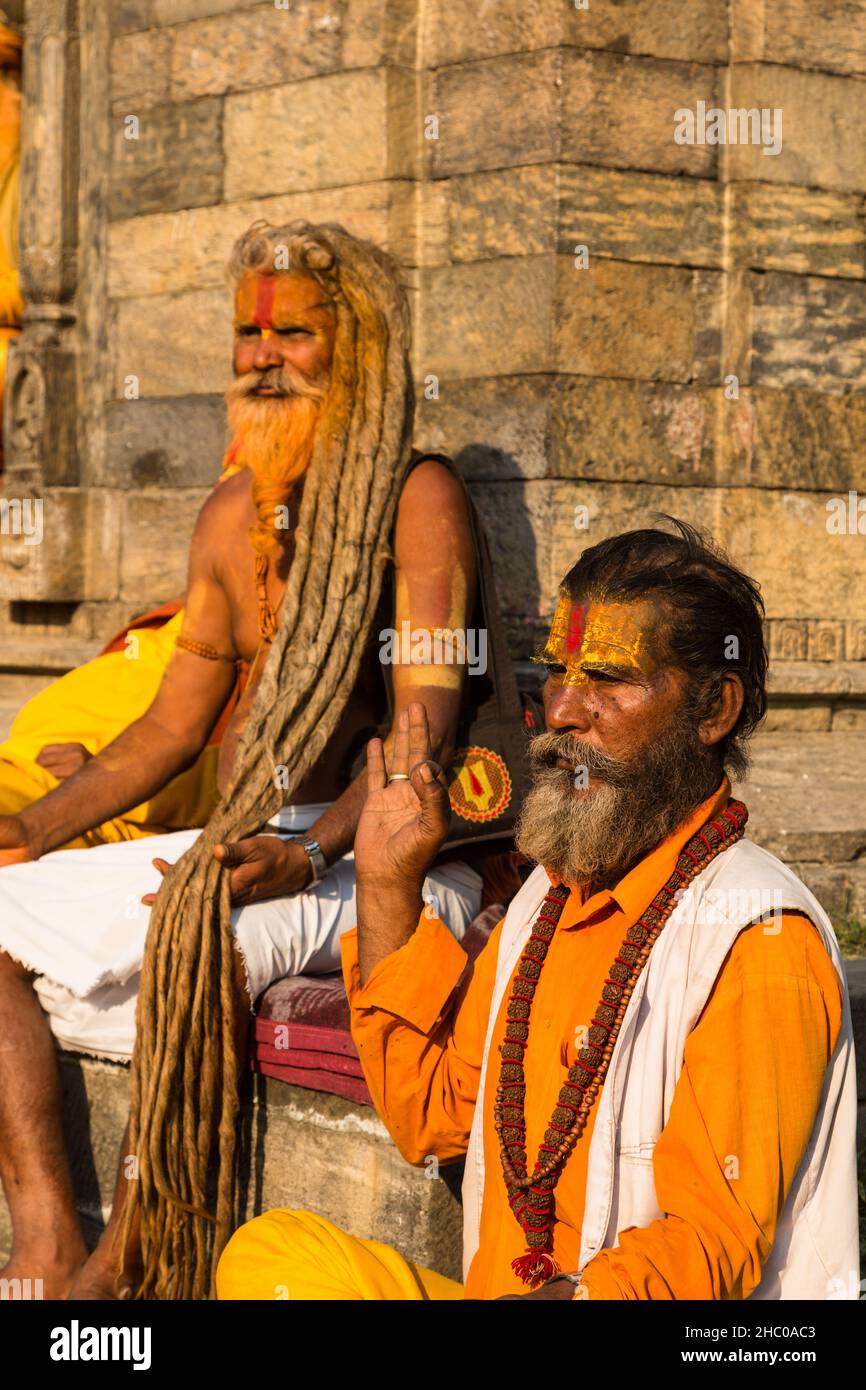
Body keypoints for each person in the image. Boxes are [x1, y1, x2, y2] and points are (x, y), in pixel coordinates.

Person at [0, 220, 523, 1299]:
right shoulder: (232, 515)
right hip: (255, 837)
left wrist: (310, 852)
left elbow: (419, 736)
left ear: (360, 348)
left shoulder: (415, 501)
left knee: (195, 934)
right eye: (247, 332)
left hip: (391, 858)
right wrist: (31, 828)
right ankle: (48, 1233)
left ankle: (131, 1252)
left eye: (292, 332)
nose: (259, 355)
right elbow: (166, 730)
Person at [217, 522, 859, 1301]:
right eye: (557, 672)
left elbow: (708, 1248)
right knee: (272, 1259)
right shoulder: (545, 901)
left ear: (713, 709)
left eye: (609, 680)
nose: (561, 709)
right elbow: (431, 1116)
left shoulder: (754, 937)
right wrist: (385, 886)